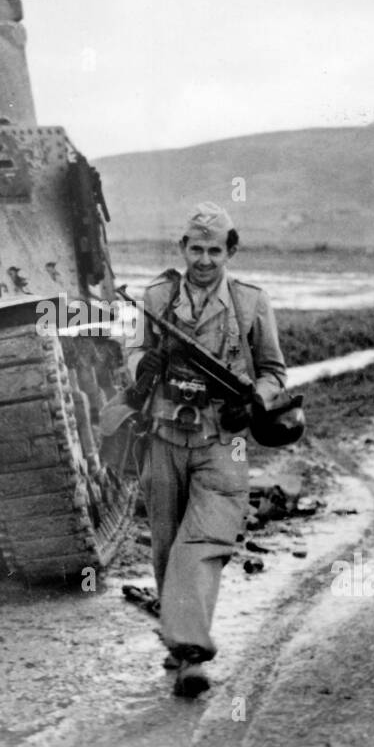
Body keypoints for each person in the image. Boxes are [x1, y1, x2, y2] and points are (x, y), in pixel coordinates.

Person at [124, 201, 287, 697]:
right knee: (167, 547)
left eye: (215, 250)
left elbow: (274, 371)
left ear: (230, 251)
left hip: (223, 443)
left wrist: (254, 401)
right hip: (165, 435)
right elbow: (130, 353)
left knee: (202, 546)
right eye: (196, 249)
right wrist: (144, 368)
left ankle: (192, 653)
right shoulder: (154, 299)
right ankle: (178, 646)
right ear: (183, 249)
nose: (204, 260)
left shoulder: (251, 304)